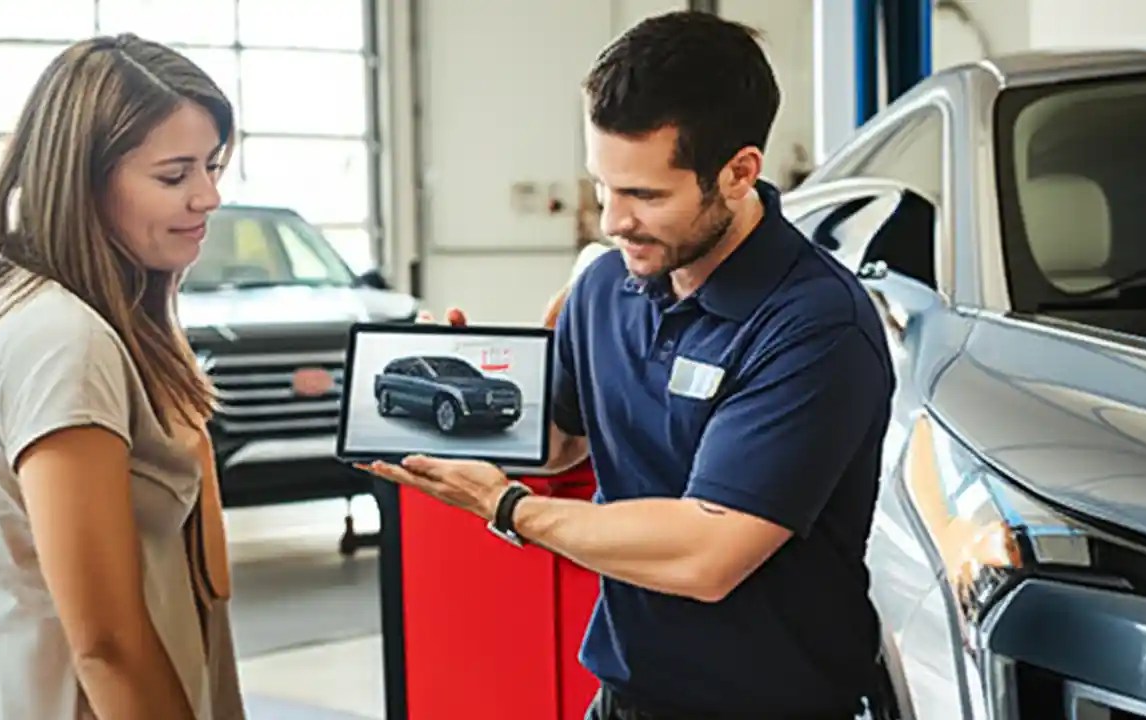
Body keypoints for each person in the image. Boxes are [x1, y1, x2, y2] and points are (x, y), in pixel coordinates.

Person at [360, 11, 895, 719]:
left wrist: (508, 508)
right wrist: (467, 383)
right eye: (602, 186)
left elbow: (707, 556)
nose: (612, 220)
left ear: (739, 174)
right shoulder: (604, 287)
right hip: (627, 696)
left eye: (645, 195)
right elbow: (558, 443)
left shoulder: (816, 325)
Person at [0, 34, 244, 720]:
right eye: (175, 175)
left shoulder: (82, 317)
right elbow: (106, 643)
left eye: (212, 166)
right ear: (83, 181)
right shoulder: (62, 340)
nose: (208, 196)